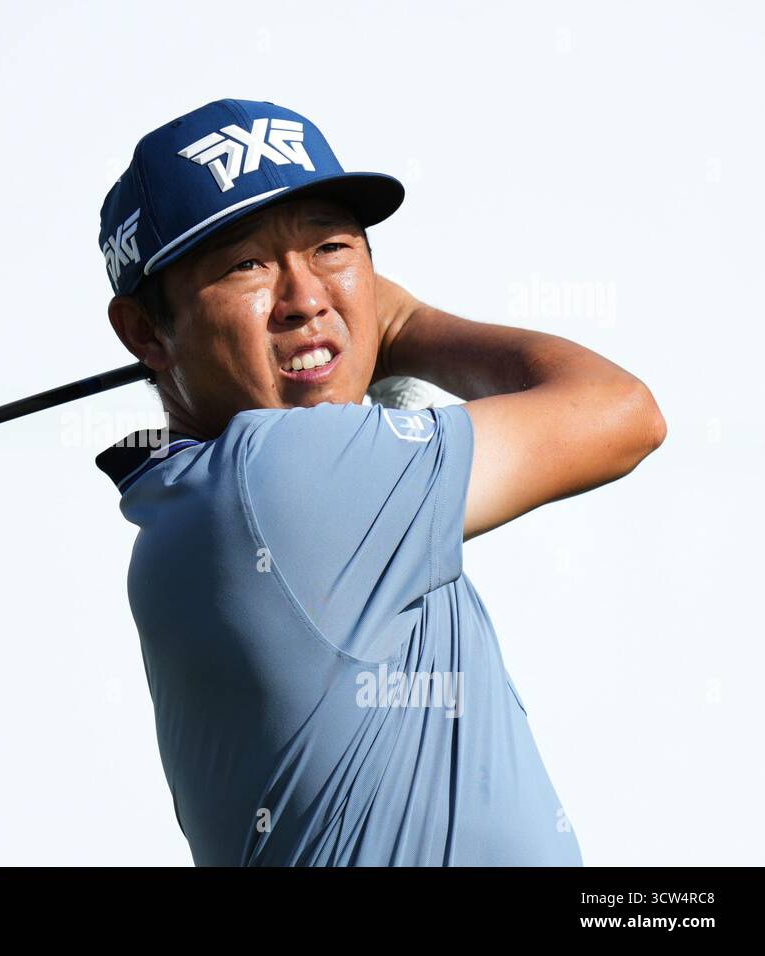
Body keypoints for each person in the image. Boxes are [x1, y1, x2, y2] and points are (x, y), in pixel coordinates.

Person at [94, 98, 665, 866]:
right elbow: (622, 414)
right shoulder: (279, 480)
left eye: (330, 247)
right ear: (142, 332)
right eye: (247, 265)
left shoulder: (195, 499)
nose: (304, 299)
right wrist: (399, 325)